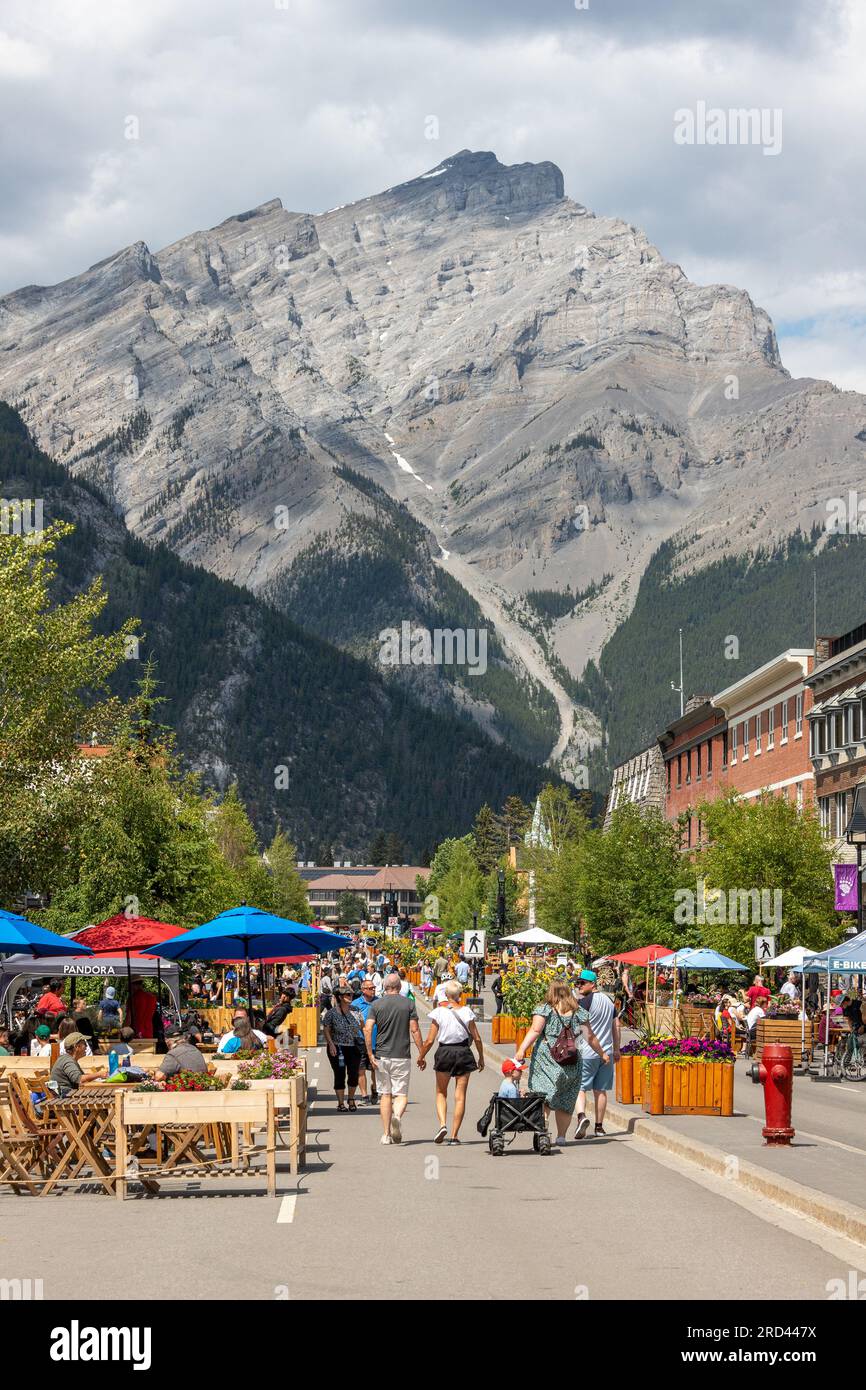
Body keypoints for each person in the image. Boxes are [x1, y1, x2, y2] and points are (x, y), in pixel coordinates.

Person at [513, 981, 609, 1146]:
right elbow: (589, 1037)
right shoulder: (579, 1013)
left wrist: (521, 1049)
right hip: (570, 1060)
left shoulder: (545, 1009)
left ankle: (543, 1128)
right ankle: (561, 1137)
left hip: (547, 1058)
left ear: (551, 992)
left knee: (542, 1095)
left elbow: (536, 1030)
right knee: (565, 1097)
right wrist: (602, 1054)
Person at [418, 980, 485, 1144]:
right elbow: (476, 1038)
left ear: (446, 996)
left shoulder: (439, 1012)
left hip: (444, 1052)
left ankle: (442, 1124)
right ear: (460, 996)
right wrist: (481, 1057)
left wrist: (421, 1056)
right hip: (463, 1052)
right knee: (460, 1096)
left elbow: (429, 1040)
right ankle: (454, 1135)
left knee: (441, 1092)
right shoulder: (467, 1012)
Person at [365, 972, 424, 1145]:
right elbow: (414, 1030)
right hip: (402, 1055)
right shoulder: (409, 1004)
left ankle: (386, 1134)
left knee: (385, 1094)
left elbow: (368, 1029)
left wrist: (370, 1054)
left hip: (382, 1055)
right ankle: (397, 1116)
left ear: (384, 987)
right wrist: (421, 1053)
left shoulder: (376, 1004)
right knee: (401, 1094)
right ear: (400, 987)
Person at [574, 971, 620, 1138]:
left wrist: (576, 1047)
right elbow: (616, 1026)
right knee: (600, 1090)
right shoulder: (609, 1002)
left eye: (582, 982)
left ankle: (581, 1117)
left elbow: (581, 1029)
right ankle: (599, 1127)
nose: (579, 985)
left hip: (587, 1052)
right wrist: (616, 1049)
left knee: (580, 1087)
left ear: (592, 984)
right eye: (578, 982)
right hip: (606, 1052)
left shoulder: (584, 1002)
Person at [322, 986, 366, 1112]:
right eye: (347, 995)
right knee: (339, 1074)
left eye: (351, 994)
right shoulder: (331, 1013)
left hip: (354, 1048)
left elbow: (362, 1026)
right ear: (340, 997)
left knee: (353, 1074)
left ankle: (351, 1099)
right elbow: (326, 1029)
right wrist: (330, 1044)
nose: (350, 997)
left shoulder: (356, 1010)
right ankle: (341, 1103)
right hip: (338, 1047)